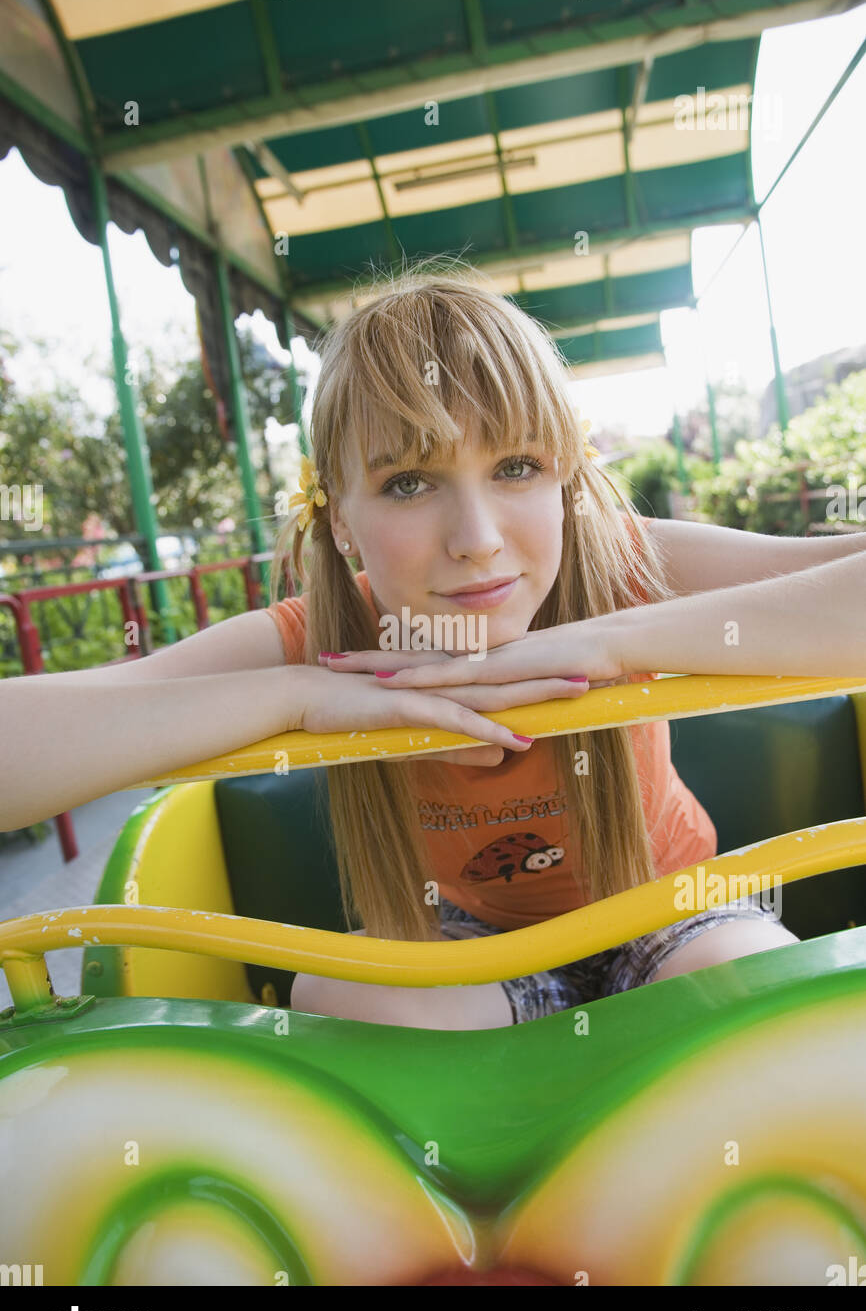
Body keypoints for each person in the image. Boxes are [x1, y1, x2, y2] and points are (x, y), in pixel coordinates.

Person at [2, 269, 864, 1028]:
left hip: (674, 911)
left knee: (741, 977)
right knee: (339, 997)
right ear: (340, 519)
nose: (478, 539)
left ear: (566, 480)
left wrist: (612, 634)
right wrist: (294, 697)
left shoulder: (621, 564)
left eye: (518, 467)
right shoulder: (324, 637)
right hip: (474, 945)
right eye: (409, 483)